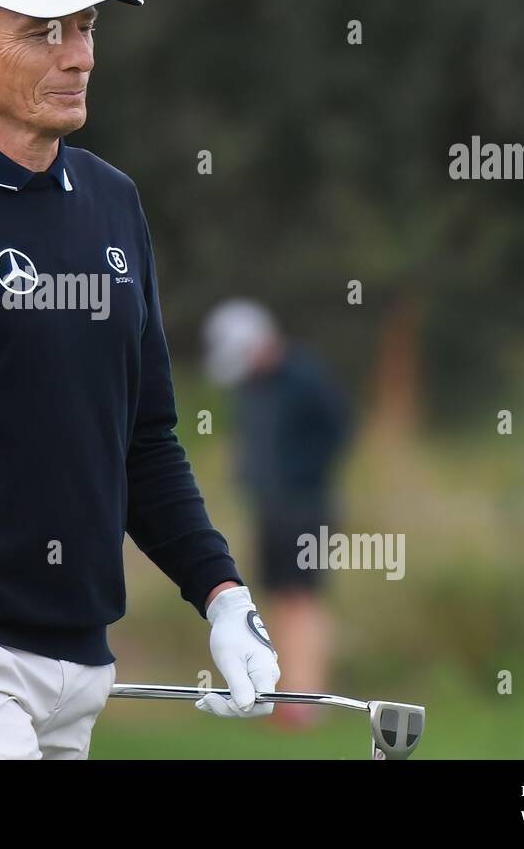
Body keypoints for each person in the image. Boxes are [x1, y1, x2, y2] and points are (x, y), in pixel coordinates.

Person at [0, 0, 281, 760]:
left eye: (87, 27)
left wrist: (220, 593)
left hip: (80, 661)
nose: (80, 57)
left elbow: (144, 437)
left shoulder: (111, 200)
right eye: (43, 33)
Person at [203, 298, 352, 728]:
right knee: (278, 598)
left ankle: (303, 703)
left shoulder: (306, 376)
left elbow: (339, 429)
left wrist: (295, 476)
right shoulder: (253, 386)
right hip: (270, 509)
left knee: (302, 599)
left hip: (308, 508)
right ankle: (281, 695)